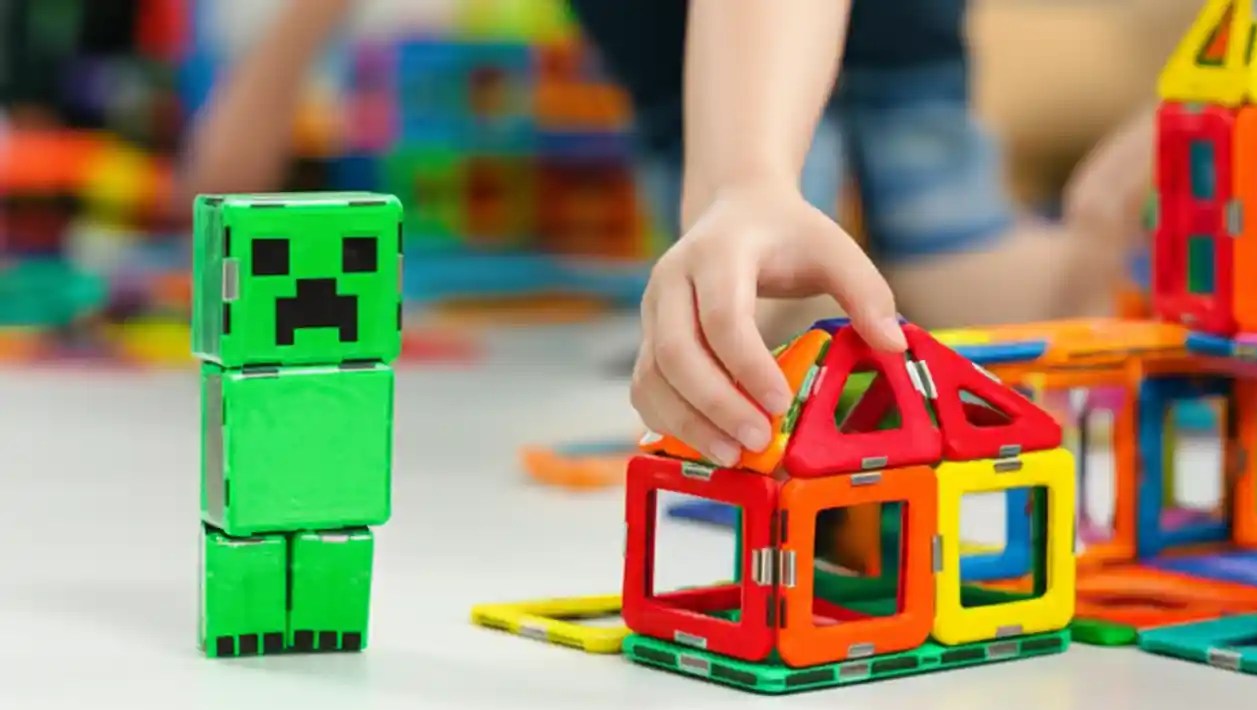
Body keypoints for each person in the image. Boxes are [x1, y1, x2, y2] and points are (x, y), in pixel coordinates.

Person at [180, 0, 1154, 469]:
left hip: (814, 81)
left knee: (808, 321)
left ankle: (1082, 254)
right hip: (739, 92)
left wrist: (744, 180)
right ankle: (1068, 255)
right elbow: (226, 173)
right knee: (807, 327)